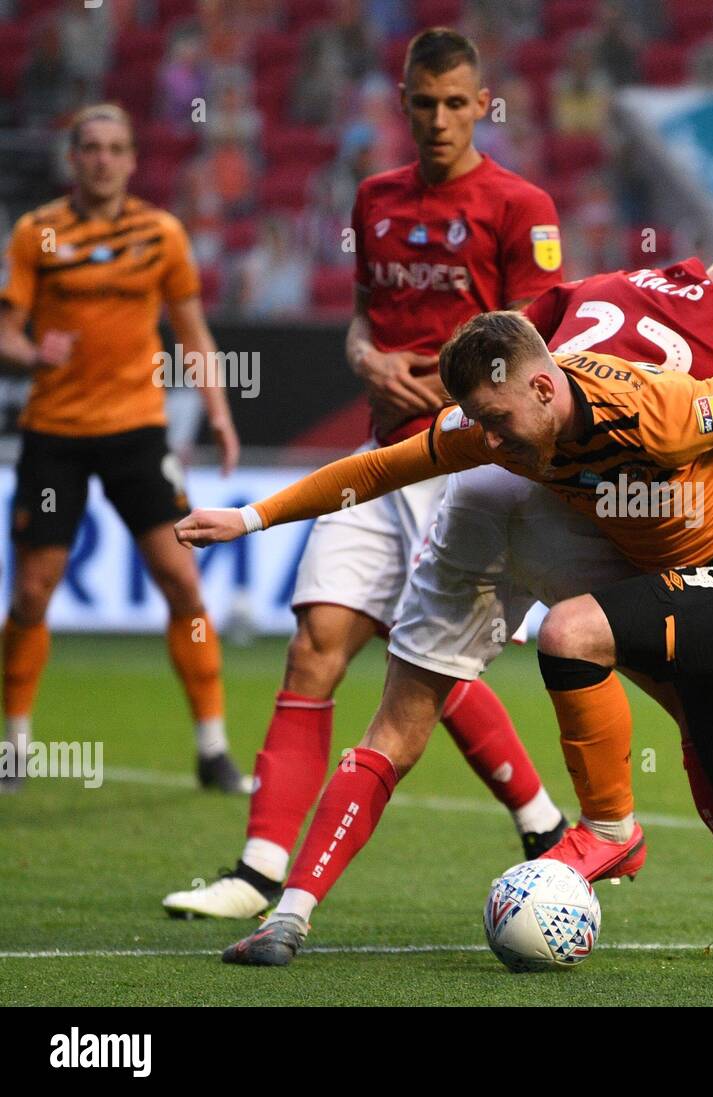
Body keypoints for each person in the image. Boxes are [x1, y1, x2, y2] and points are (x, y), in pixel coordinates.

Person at [176, 311, 713, 973]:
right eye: (475, 427)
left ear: (543, 384)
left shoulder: (658, 412)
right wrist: (251, 516)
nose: (486, 443)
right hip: (698, 596)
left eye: (497, 422)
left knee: (571, 631)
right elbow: (376, 467)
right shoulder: (499, 423)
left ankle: (608, 825)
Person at [162, 28, 567, 919]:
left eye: (457, 104)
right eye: (423, 103)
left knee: (426, 665)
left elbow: (545, 351)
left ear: (482, 103)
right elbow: (358, 319)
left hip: (461, 461)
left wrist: (460, 385)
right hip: (378, 452)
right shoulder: (375, 198)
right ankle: (260, 869)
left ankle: (542, 823)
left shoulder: (521, 204)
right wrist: (366, 358)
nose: (439, 120)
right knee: (316, 647)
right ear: (403, 101)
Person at [0, 103, 243, 793]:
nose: (103, 159)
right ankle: (14, 744)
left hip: (139, 432)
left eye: (116, 148)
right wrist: (29, 352)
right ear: (72, 158)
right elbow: (5, 334)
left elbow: (193, 334)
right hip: (55, 435)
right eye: (91, 148)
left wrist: (221, 413)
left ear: (133, 160)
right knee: (32, 592)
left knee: (182, 581)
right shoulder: (36, 233)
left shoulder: (160, 233)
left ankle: (212, 746)